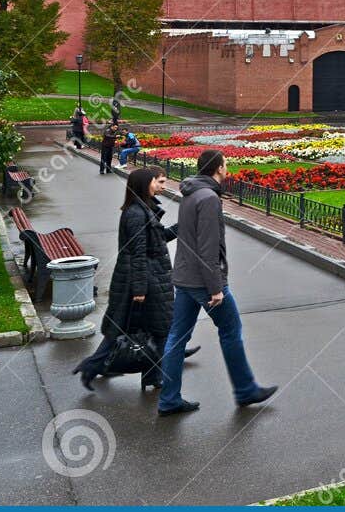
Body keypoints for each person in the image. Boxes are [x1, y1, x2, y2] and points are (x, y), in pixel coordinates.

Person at [158, 149, 277, 417]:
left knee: (176, 338)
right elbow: (208, 247)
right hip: (204, 281)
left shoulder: (190, 192)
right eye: (226, 165)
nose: (228, 169)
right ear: (218, 168)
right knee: (231, 330)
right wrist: (215, 288)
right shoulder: (209, 198)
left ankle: (168, 399)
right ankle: (246, 390)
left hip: (185, 277)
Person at [72, 168, 196, 392]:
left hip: (146, 277)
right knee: (148, 328)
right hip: (143, 279)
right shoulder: (137, 214)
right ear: (144, 184)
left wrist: (182, 228)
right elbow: (138, 253)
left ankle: (146, 373)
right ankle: (94, 365)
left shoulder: (143, 208)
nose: (163, 186)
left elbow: (157, 239)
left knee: (137, 328)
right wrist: (140, 289)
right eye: (159, 182)